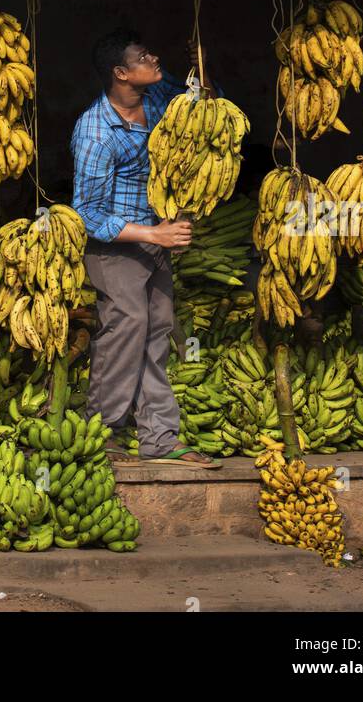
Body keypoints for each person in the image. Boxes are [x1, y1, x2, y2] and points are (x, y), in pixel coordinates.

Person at [70, 28, 221, 464]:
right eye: (143, 56)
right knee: (126, 328)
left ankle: (160, 438)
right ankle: (103, 433)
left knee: (157, 331)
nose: (155, 58)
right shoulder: (96, 131)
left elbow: (205, 103)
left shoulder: (157, 100)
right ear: (121, 73)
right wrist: (154, 234)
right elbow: (88, 213)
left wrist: (203, 66)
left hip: (156, 242)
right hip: (116, 248)